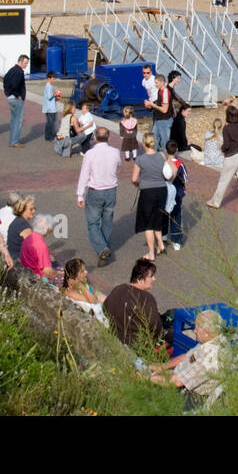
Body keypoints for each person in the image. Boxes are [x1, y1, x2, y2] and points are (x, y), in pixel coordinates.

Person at [77, 127, 121, 267]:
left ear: (95, 138)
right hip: (111, 190)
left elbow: (84, 174)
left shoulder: (90, 154)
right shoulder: (115, 152)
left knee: (93, 222)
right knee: (107, 220)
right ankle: (104, 247)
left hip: (95, 190)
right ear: (108, 138)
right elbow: (118, 166)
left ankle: (102, 248)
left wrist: (80, 194)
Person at [104, 258, 165, 349]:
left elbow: (105, 308)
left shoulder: (118, 288)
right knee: (172, 335)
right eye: (151, 276)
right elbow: (156, 327)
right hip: (138, 346)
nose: (154, 279)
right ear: (140, 279)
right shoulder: (147, 298)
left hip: (116, 337)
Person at [207, 104, 238, 213]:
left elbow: (227, 145)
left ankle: (215, 202)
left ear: (227, 116)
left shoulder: (227, 128)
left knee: (224, 180)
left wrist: (222, 149)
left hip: (232, 157)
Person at [132, 133, 168, 261]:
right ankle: (161, 245)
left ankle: (151, 253)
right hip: (161, 189)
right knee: (157, 218)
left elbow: (134, 178)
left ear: (143, 143)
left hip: (147, 191)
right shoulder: (163, 156)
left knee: (148, 223)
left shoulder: (140, 159)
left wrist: (138, 184)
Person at [62, 258, 110, 326]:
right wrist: (81, 286)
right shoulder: (70, 292)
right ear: (73, 277)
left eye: (85, 269)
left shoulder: (83, 283)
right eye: (82, 271)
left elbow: (95, 294)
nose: (86, 272)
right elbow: (93, 300)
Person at [163, 140, 188, 250]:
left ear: (165, 150)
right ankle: (176, 240)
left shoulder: (163, 163)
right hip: (177, 192)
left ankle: (163, 236)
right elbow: (185, 179)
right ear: (176, 150)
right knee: (176, 215)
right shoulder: (180, 164)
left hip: (164, 192)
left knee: (163, 214)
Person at [20, 214, 60, 283]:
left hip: (27, 269)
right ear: (48, 229)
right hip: (38, 276)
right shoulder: (42, 246)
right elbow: (48, 272)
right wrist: (59, 273)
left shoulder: (29, 237)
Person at [3, 54, 29, 147]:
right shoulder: (19, 72)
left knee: (13, 120)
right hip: (16, 99)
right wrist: (17, 95)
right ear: (20, 62)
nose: (26, 65)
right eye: (25, 63)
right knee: (18, 121)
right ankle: (14, 141)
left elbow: (5, 80)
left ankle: (12, 140)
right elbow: (15, 84)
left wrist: (7, 92)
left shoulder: (11, 70)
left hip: (10, 98)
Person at [6, 196, 35, 267]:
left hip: (13, 258)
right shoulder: (24, 226)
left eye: (34, 208)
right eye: (31, 209)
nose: (34, 211)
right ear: (22, 210)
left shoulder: (17, 221)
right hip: (20, 264)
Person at [42, 72, 60, 141]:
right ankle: (50, 137)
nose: (53, 80)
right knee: (51, 123)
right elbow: (50, 96)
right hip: (50, 108)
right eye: (52, 79)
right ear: (49, 78)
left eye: (54, 79)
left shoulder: (49, 86)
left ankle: (48, 136)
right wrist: (56, 94)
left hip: (50, 107)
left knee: (49, 123)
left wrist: (55, 97)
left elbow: (50, 97)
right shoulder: (49, 86)